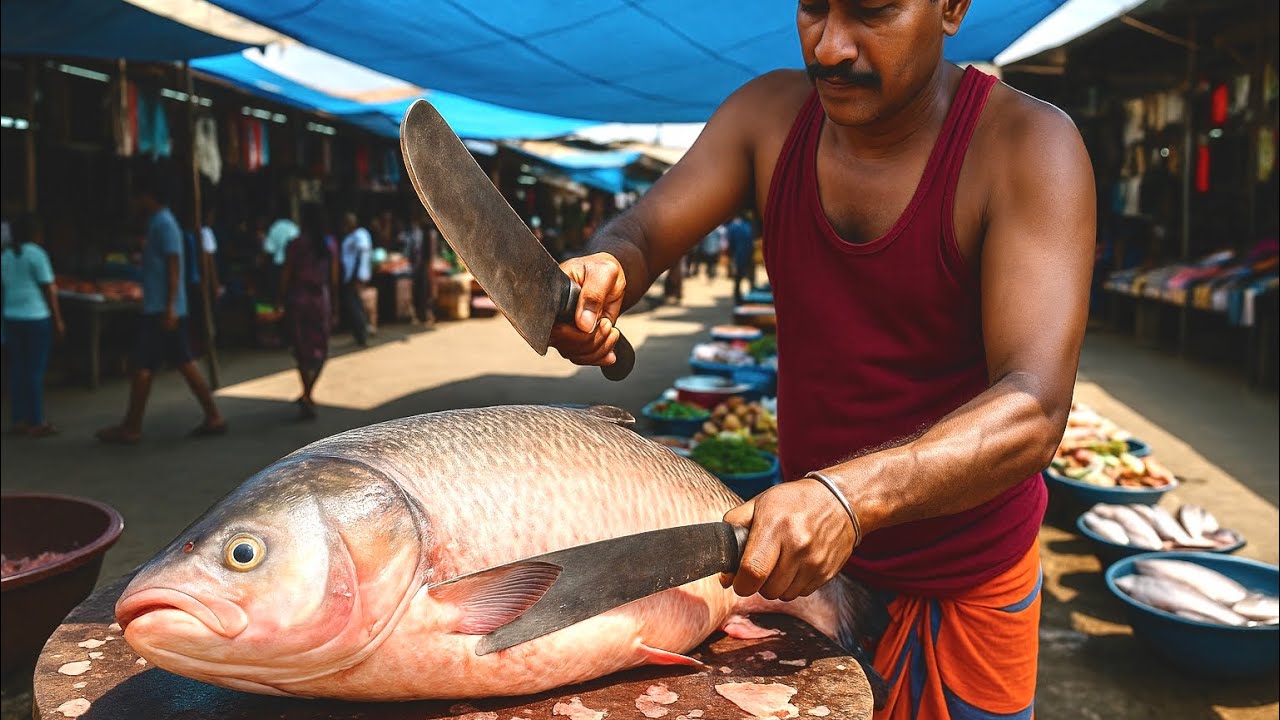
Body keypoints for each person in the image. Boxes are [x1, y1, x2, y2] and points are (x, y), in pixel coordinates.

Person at [546, 2, 1096, 717]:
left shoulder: (1027, 147)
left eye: (872, 10)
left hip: (967, 581)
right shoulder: (767, 119)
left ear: (952, 7)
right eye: (813, 6)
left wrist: (847, 499)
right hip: (803, 569)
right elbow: (644, 232)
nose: (830, 46)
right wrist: (609, 268)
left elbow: (1034, 407)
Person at [97, 170, 227, 444]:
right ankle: (212, 415)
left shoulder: (164, 223)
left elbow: (173, 265)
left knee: (144, 365)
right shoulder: (160, 222)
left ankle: (132, 426)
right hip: (164, 306)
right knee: (183, 362)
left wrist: (169, 306)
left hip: (162, 308)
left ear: (148, 196)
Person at [1, 213, 65, 437]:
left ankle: (19, 420)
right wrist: (58, 320)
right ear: (35, 234)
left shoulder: (6, 255)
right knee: (35, 371)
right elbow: (49, 289)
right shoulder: (37, 254)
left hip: (11, 317)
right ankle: (36, 421)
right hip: (36, 317)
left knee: (17, 370)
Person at [278, 203, 338, 421]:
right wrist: (336, 306)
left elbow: (286, 273)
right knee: (321, 348)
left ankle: (307, 392)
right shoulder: (329, 244)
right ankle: (309, 392)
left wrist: (281, 299)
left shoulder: (295, 244)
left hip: (299, 299)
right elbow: (334, 278)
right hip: (320, 300)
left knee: (301, 347)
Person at [339, 211, 373, 347]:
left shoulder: (359, 235)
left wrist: (355, 276)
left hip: (355, 277)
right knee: (355, 305)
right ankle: (358, 334)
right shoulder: (351, 237)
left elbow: (361, 255)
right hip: (350, 276)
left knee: (356, 306)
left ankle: (362, 334)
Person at [726, 214, 756, 304]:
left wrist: (731, 256)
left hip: (738, 254)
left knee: (738, 277)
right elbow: (751, 240)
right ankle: (750, 292)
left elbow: (731, 242)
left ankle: (738, 297)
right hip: (748, 253)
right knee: (749, 276)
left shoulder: (732, 227)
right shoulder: (747, 225)